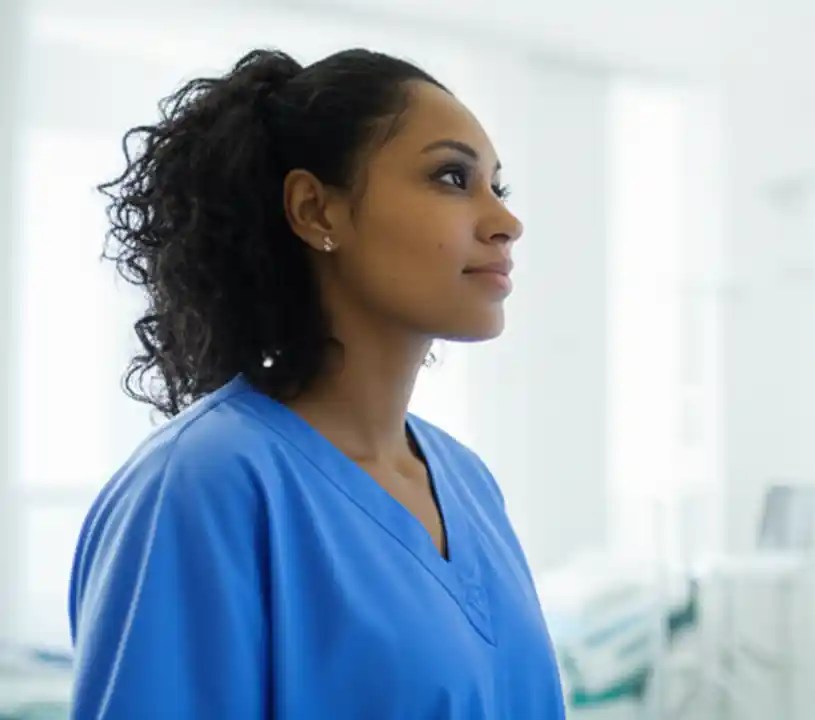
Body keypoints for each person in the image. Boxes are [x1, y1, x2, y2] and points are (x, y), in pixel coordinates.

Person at [67, 47, 565, 719]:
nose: (506, 223)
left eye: (496, 188)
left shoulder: (470, 484)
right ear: (316, 211)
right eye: (452, 177)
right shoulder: (204, 483)